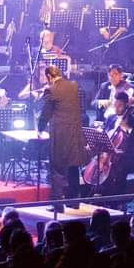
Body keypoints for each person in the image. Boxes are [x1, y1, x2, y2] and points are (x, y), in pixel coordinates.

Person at [37, 64, 89, 208]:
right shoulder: (74, 86)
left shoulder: (51, 89)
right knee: (73, 167)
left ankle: (57, 205)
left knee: (57, 169)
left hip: (60, 135)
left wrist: (40, 128)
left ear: (49, 76)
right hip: (75, 133)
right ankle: (74, 202)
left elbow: (46, 113)